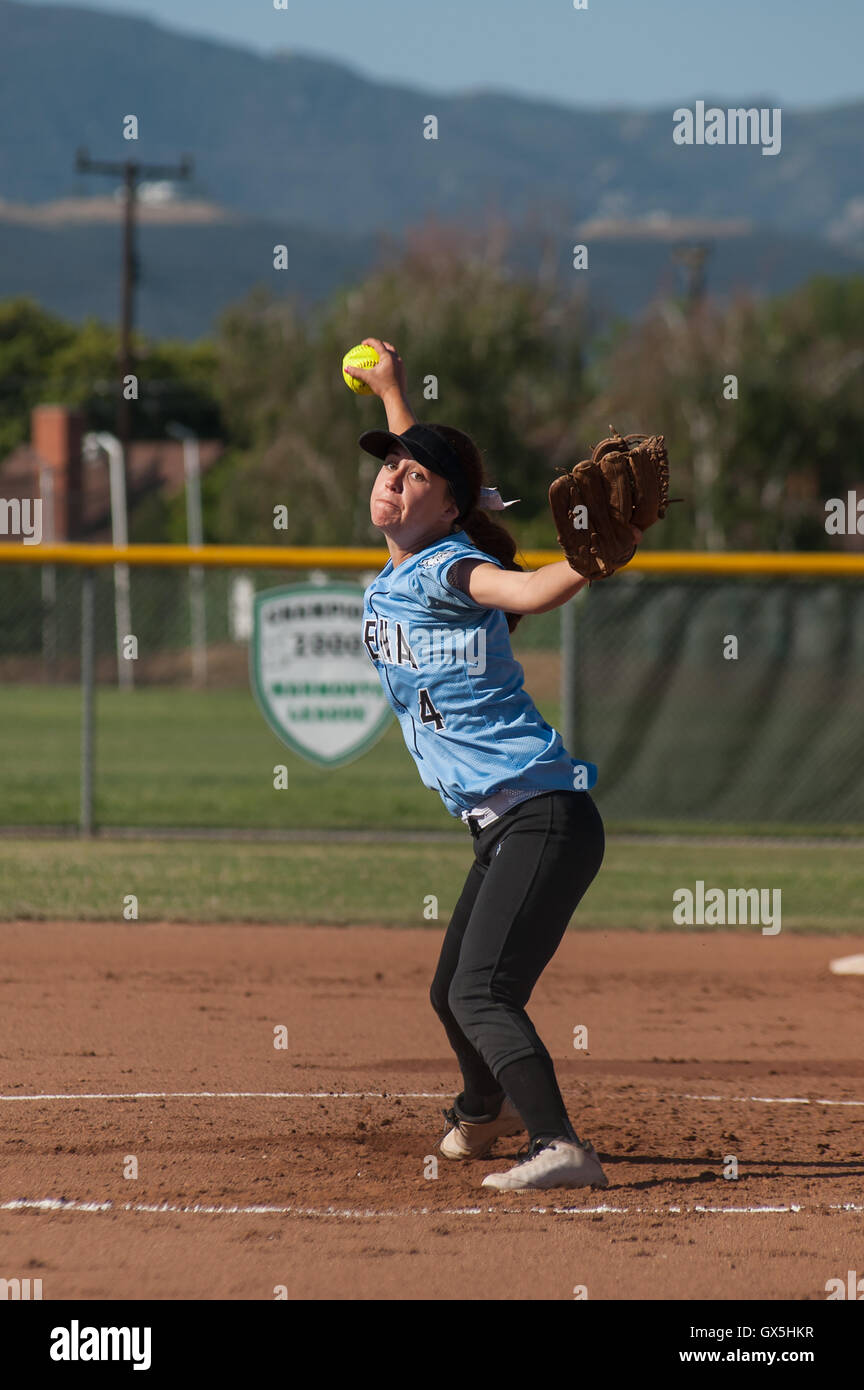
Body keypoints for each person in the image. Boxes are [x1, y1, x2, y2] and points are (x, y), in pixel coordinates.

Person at [347, 337, 641, 1191]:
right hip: (507, 822)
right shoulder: (420, 538)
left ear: (446, 510)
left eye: (409, 478)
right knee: (451, 994)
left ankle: (560, 1147)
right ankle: (485, 1111)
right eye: (387, 471)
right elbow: (434, 469)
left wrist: (590, 559)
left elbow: (526, 591)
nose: (391, 481)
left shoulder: (452, 567)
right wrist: (393, 395)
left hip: (542, 815)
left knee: (481, 993)